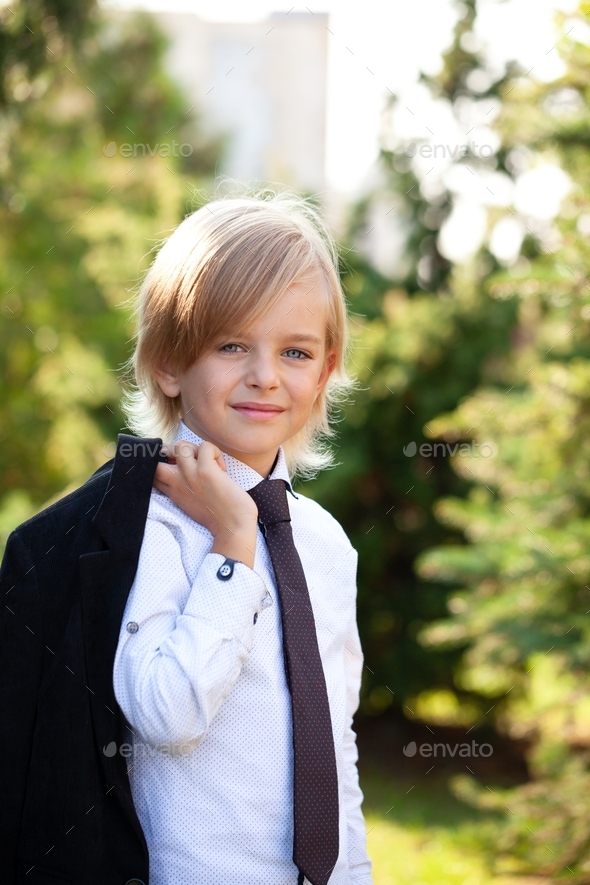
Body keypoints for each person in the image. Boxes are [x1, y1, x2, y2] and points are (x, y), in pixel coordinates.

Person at [0, 193, 373, 885]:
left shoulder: (325, 542)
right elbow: (167, 712)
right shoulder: (141, 529)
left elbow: (336, 744)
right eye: (232, 344)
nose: (265, 374)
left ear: (323, 371)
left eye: (295, 351)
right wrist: (233, 543)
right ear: (170, 363)